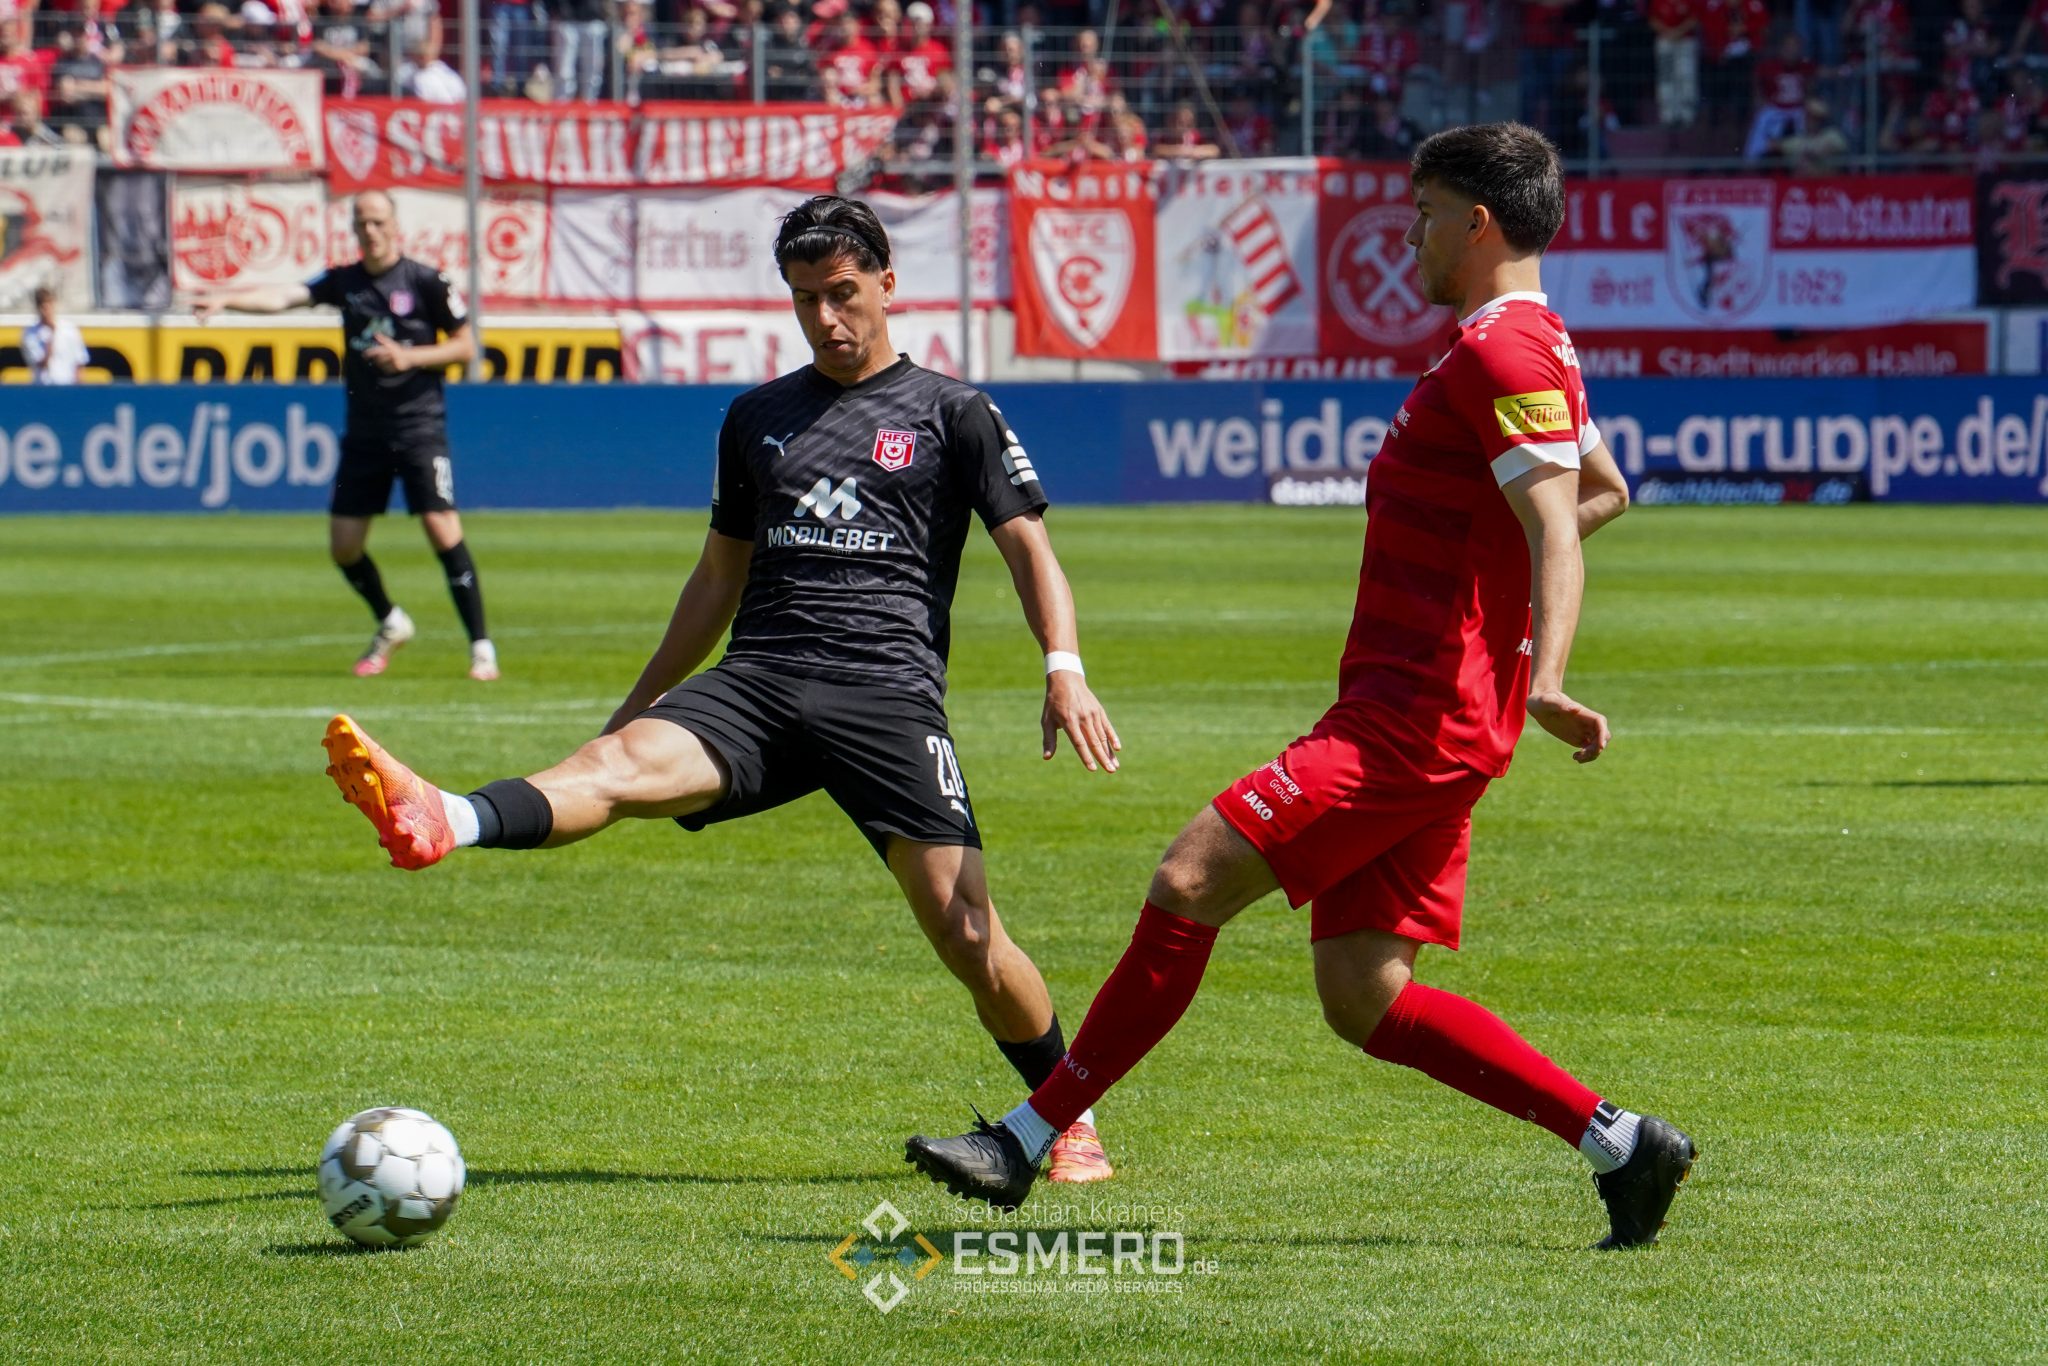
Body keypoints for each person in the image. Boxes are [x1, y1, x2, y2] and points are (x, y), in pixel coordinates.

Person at [906, 123, 1698, 1251]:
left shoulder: (1500, 356)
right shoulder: (1534, 345)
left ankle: (1026, 1139)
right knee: (1361, 993)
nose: (1410, 234)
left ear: (1476, 220)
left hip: (1412, 718)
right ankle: (1621, 1143)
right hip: (1431, 708)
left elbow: (1556, 529)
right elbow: (1602, 488)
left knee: (1187, 878)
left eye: (1423, 211)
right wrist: (1489, 603)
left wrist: (1545, 675)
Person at [318, 195, 1127, 1186]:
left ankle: (1063, 1117)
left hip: (885, 699)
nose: (826, 320)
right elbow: (715, 579)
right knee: (612, 769)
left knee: (969, 938)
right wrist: (639, 702)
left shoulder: (951, 410)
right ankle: (446, 814)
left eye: (841, 295)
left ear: (884, 283)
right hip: (758, 679)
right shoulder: (757, 418)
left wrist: (1063, 667)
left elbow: (1028, 549)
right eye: (802, 300)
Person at [192, 191, 497, 682]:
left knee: (442, 528)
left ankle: (482, 648)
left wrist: (409, 357)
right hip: (365, 434)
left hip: (419, 427)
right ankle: (391, 621)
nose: (370, 231)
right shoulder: (345, 282)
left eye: (377, 222)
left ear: (395, 226)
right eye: (361, 223)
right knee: (344, 547)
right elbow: (286, 296)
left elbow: (467, 346)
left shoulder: (426, 281)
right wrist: (228, 299)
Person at [21, 285, 89, 385]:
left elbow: (79, 361)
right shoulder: (30, 333)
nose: (46, 312)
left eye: (49, 306)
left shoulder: (69, 329)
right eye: (43, 307)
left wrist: (79, 387)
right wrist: (51, 336)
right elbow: (41, 364)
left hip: (67, 386)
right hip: (44, 388)